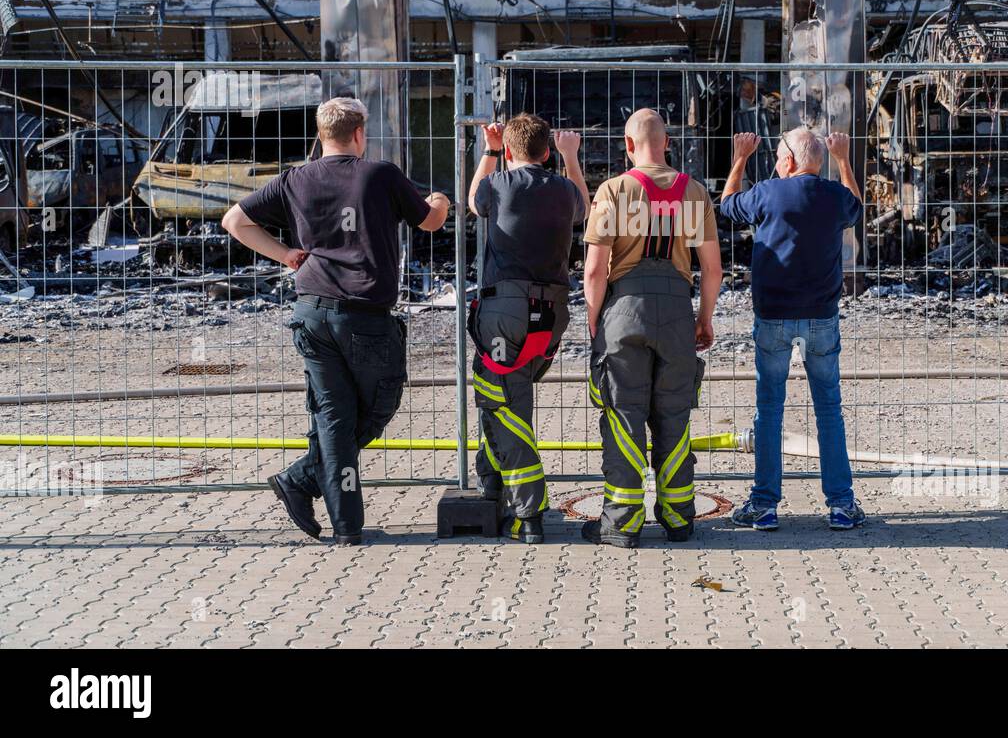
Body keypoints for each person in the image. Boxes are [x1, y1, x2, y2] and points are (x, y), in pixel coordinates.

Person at [221, 97, 449, 545]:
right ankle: (304, 480)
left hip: (311, 310)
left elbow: (235, 220)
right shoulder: (379, 175)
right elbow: (431, 222)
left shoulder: (295, 179)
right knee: (378, 406)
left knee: (333, 416)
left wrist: (285, 255)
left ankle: (332, 512)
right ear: (360, 134)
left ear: (321, 134)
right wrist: (439, 197)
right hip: (364, 314)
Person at [582, 108, 722, 548]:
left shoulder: (614, 189)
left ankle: (621, 524)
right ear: (667, 143)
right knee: (674, 418)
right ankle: (680, 519)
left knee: (624, 417)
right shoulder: (694, 192)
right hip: (678, 313)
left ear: (628, 145)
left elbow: (594, 271)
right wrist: (703, 319)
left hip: (624, 312)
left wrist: (596, 327)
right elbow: (713, 269)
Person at [720, 127, 866, 531]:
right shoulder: (834, 196)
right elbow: (857, 207)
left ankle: (764, 504)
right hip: (822, 316)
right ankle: (841, 504)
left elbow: (727, 205)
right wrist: (843, 160)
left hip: (773, 316)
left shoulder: (767, 192)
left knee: (769, 410)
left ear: (787, 160)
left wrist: (741, 157)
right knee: (829, 410)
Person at [467, 114, 589, 543]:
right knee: (502, 397)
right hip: (552, 312)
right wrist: (572, 158)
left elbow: (472, 201)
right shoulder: (562, 189)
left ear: (511, 153)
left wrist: (489, 149)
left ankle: (529, 512)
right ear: (549, 151)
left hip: (506, 309)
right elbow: (584, 209)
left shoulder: (499, 184)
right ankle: (492, 481)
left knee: (506, 406)